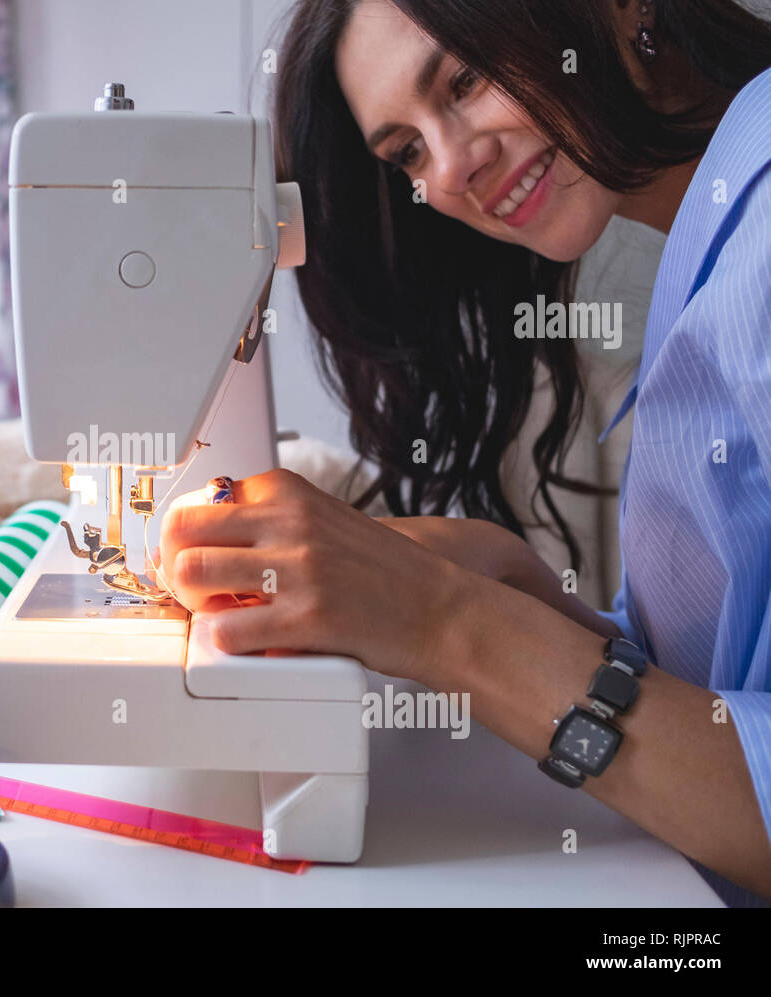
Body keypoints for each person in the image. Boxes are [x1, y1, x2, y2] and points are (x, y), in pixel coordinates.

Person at [159, 0, 771, 903]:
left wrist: (448, 623)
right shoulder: (723, 230)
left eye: (465, 79)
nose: (450, 168)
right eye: (405, 151)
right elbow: (730, 705)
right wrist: (525, 599)